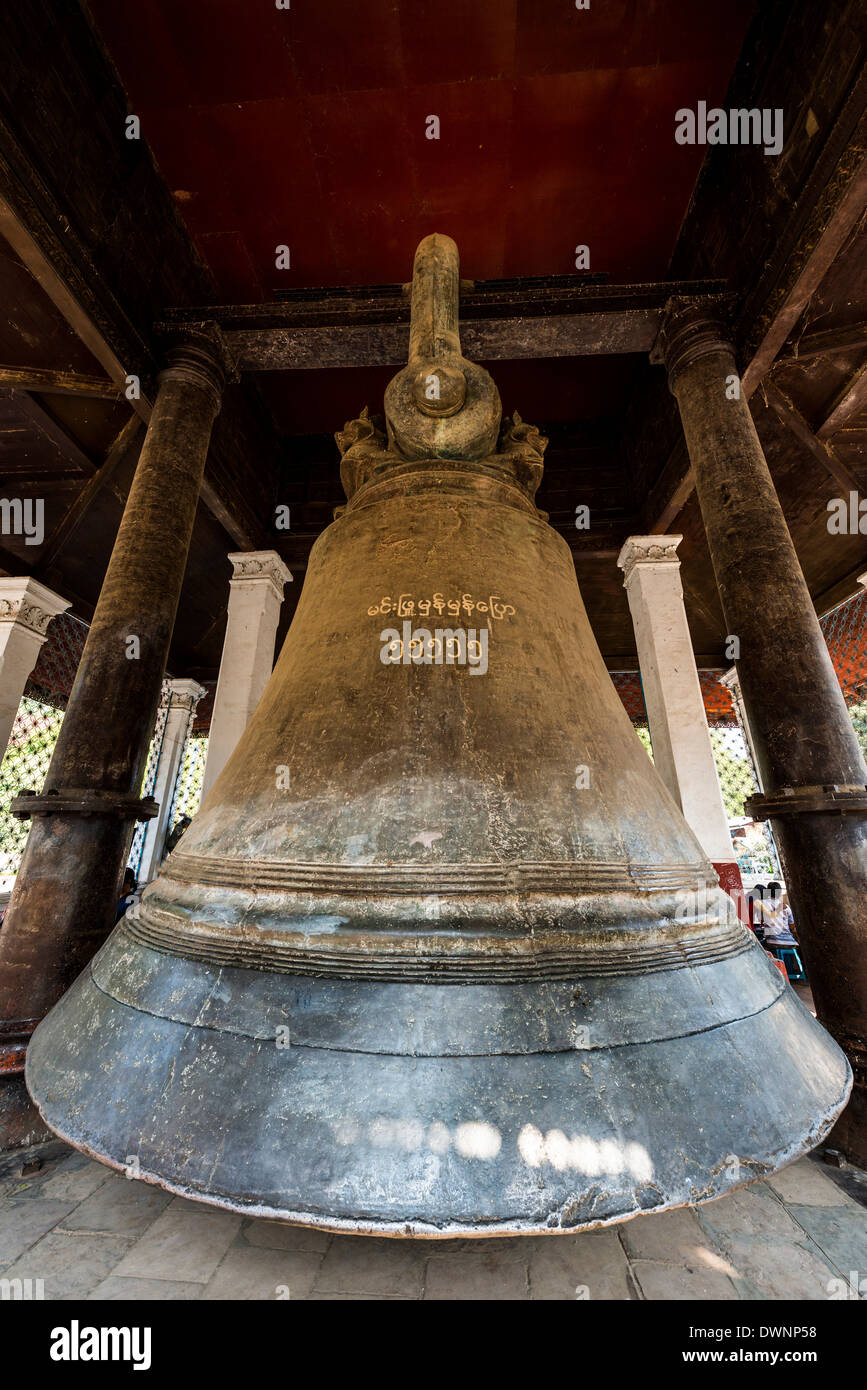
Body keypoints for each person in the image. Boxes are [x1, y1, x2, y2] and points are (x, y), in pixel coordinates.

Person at [756, 881, 798, 946]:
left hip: (772, 940)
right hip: (790, 941)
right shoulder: (786, 907)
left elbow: (761, 920)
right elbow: (792, 926)